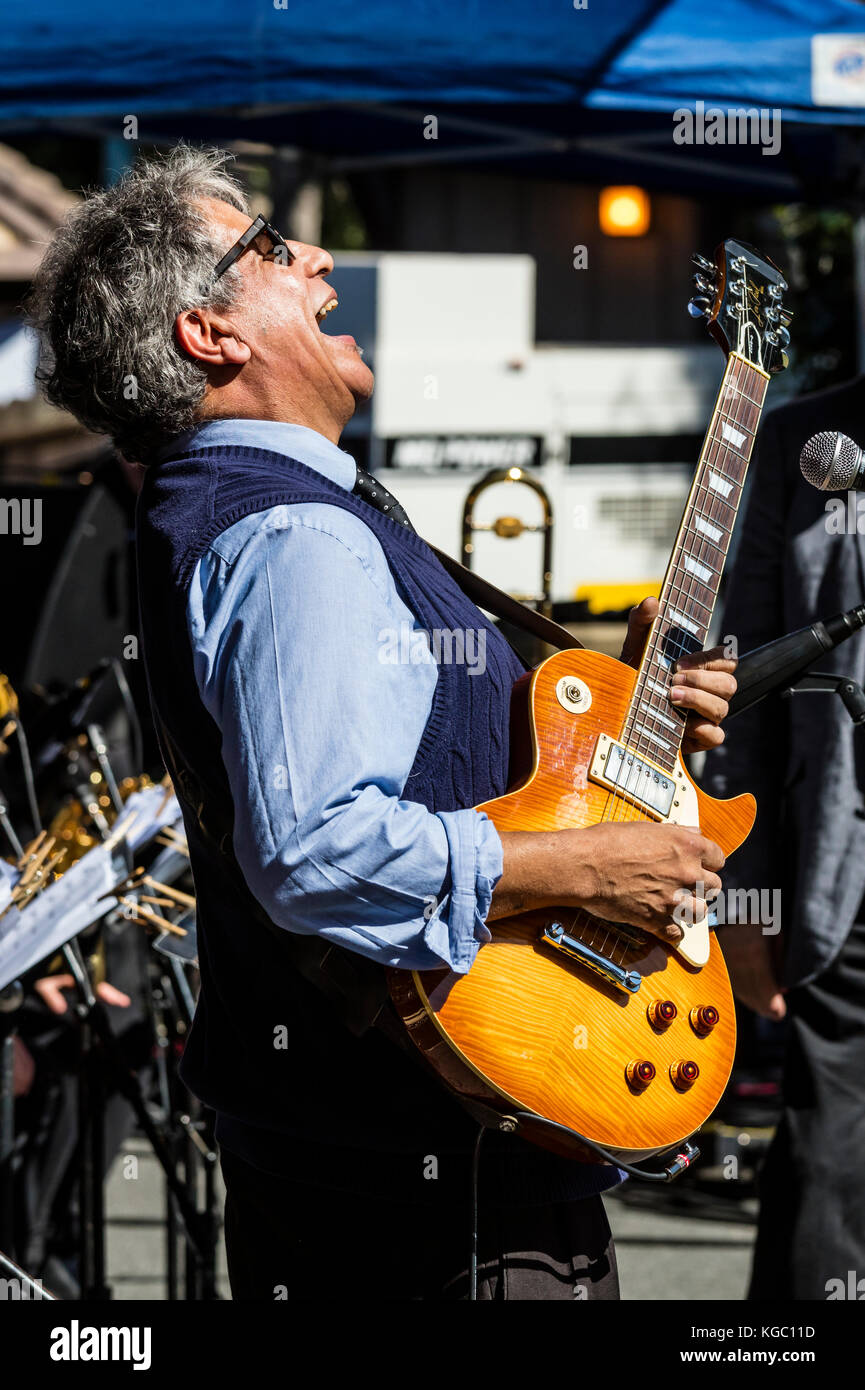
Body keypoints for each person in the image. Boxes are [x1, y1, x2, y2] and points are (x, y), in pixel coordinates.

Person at [28, 146, 737, 1302]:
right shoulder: (293, 536)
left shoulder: (275, 514)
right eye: (267, 248)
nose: (310, 254)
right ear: (211, 337)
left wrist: (625, 712)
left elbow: (422, 770)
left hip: (403, 1156)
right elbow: (317, 850)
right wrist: (594, 864)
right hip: (425, 1193)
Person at [704, 373, 865, 1301]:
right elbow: (746, 691)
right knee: (828, 1182)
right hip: (844, 888)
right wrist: (746, 906)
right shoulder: (807, 442)